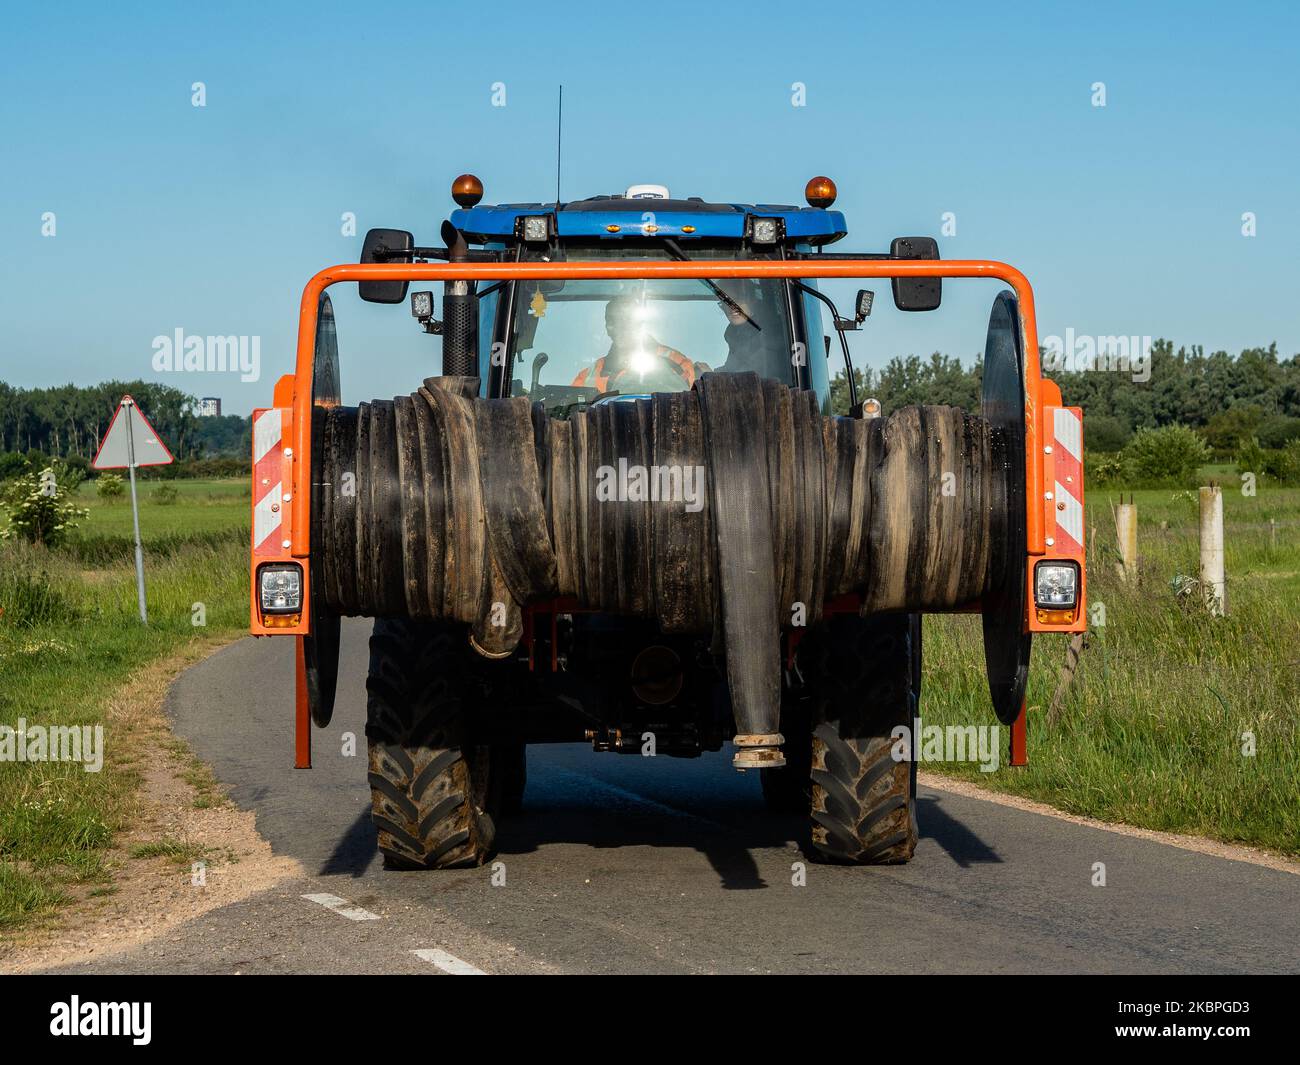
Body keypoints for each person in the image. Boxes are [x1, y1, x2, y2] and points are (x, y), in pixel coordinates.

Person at [572, 296, 699, 392]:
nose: (620, 326)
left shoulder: (678, 365)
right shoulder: (587, 378)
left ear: (640, 324)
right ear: (607, 328)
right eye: (612, 321)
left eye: (627, 319)